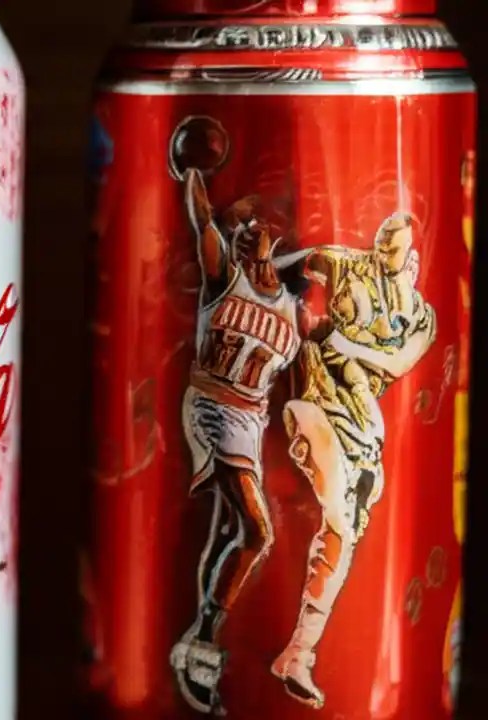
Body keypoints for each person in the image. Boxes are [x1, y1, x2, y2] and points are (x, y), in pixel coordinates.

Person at [272, 212, 437, 708]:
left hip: (366, 428)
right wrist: (288, 312)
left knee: (341, 536)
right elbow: (284, 266)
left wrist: (334, 337)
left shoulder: (420, 314)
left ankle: (298, 655)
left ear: (410, 254)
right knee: (339, 516)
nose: (383, 256)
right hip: (314, 403)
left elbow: (399, 362)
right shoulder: (347, 264)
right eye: (381, 245)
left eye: (395, 250)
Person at [170, 166, 305, 715]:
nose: (247, 231)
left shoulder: (296, 314)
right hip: (210, 404)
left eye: (258, 225)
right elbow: (202, 215)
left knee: (230, 532)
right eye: (242, 224)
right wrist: (192, 171)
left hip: (252, 419)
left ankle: (199, 642)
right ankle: (201, 640)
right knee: (256, 530)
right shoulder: (224, 274)